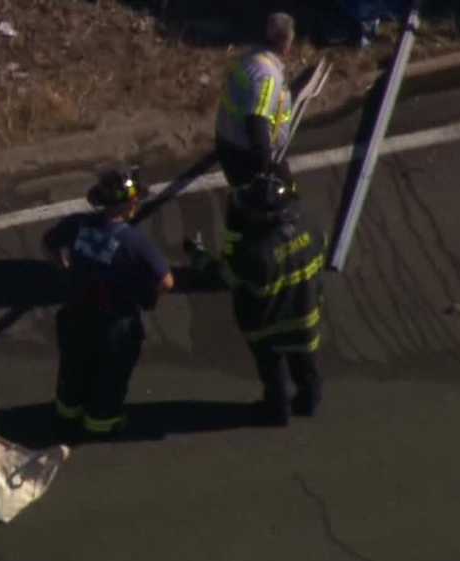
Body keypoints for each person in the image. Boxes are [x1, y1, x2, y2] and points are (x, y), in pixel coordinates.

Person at [186, 171, 325, 426]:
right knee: (306, 364)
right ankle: (309, 401)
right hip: (306, 315)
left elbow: (224, 278)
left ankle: (277, 411)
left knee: (272, 371)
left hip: (265, 324)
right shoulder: (310, 224)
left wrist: (198, 257)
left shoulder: (253, 253)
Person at [42, 168, 174, 437]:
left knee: (73, 368)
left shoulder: (78, 224)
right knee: (110, 376)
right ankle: (101, 423)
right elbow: (166, 282)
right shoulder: (134, 242)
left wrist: (65, 268)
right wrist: (143, 292)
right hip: (114, 326)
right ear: (130, 204)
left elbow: (49, 243)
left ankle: (68, 413)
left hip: (76, 315)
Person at [215, 12, 297, 188]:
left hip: (229, 140)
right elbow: (256, 122)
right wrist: (266, 168)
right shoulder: (267, 76)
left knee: (243, 197)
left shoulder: (249, 58)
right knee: (280, 197)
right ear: (285, 46)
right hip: (247, 154)